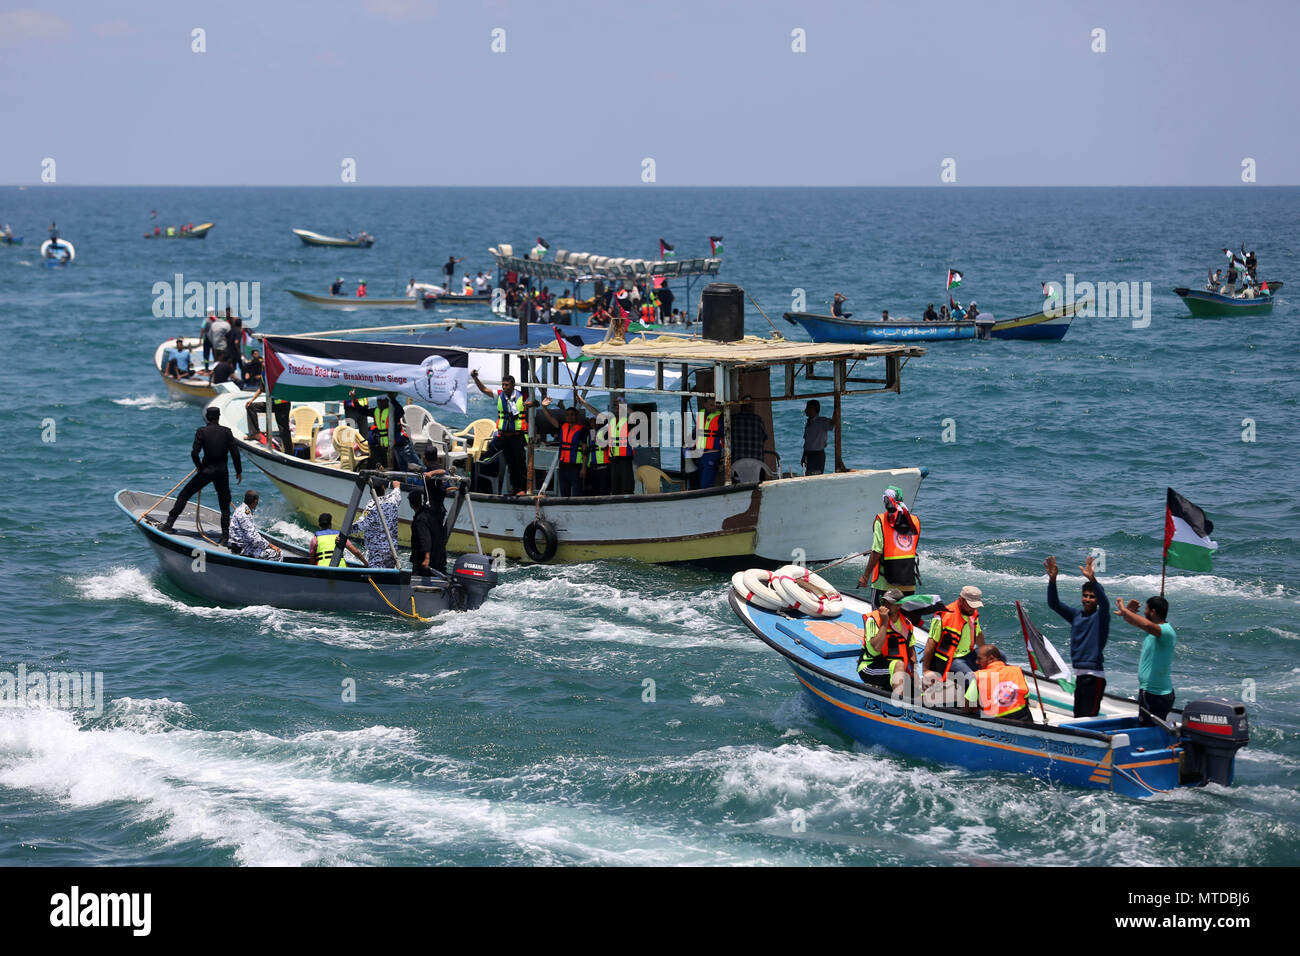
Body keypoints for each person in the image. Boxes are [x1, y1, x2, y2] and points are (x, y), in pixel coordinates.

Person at [162, 406, 242, 544]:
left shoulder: (202, 431)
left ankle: (168, 525)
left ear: (207, 417)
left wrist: (199, 467)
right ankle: (224, 537)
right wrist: (238, 471)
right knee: (224, 504)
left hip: (206, 471)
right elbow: (235, 454)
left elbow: (194, 453)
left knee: (184, 495)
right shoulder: (227, 432)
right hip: (222, 472)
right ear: (219, 417)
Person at [1045, 554, 1108, 717]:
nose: (1087, 599)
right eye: (1085, 595)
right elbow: (1054, 604)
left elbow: (1106, 602)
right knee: (1078, 717)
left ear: (1097, 600)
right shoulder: (1076, 616)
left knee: (1088, 719)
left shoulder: (1101, 617)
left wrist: (1093, 579)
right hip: (1079, 676)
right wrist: (1052, 580)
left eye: (1092, 596)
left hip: (1094, 677)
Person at [1114, 594, 1176, 726]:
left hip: (1156, 694)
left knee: (1151, 730)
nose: (1144, 612)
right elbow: (1137, 622)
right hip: (1149, 692)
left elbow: (1144, 623)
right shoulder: (1154, 630)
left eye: (1146, 609)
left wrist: (1125, 610)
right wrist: (1128, 613)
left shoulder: (1165, 631)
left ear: (1153, 612)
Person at [469, 370, 534, 494]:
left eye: (507, 385)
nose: (504, 387)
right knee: (485, 458)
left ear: (513, 385)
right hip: (502, 437)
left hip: (517, 437)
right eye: (503, 385)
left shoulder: (522, 396)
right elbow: (484, 390)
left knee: (518, 464)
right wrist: (475, 378)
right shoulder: (499, 395)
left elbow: (534, 402)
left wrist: (532, 404)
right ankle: (473, 485)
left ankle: (520, 490)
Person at [858, 486, 921, 605]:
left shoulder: (881, 520)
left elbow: (877, 551)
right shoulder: (915, 521)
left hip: (884, 583)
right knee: (901, 621)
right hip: (908, 583)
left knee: (879, 618)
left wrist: (865, 576)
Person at [923, 585, 986, 681]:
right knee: (971, 679)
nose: (973, 609)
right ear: (961, 600)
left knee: (1000, 656)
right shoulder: (944, 616)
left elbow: (978, 634)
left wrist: (985, 653)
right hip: (953, 659)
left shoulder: (971, 613)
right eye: (970, 605)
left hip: (969, 654)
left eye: (975, 606)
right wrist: (926, 670)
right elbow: (931, 643)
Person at [857, 590, 914, 694]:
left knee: (918, 688)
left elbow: (911, 649)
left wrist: (913, 672)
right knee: (899, 665)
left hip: (893, 669)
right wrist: (884, 622)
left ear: (899, 605)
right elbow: (876, 648)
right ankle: (898, 705)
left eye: (890, 603)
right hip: (869, 667)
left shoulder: (906, 623)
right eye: (884, 602)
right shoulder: (873, 620)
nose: (885, 606)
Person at [963, 645, 1032, 722]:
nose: (977, 662)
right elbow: (1026, 697)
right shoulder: (1017, 671)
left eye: (979, 659)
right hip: (1023, 718)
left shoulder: (979, 676)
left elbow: (967, 708)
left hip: (995, 722)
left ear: (991, 658)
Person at [538, 398, 588, 497]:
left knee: (577, 494)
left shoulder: (582, 430)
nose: (570, 417)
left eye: (572, 414)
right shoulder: (562, 426)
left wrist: (584, 468)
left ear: (576, 416)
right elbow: (550, 418)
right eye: (568, 414)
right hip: (563, 466)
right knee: (564, 493)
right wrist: (544, 407)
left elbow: (585, 450)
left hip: (576, 467)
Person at [358, 478, 402, 568]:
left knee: (376, 575)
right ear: (384, 488)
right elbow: (396, 492)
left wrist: (344, 534)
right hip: (391, 550)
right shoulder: (392, 500)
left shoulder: (370, 506)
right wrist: (397, 487)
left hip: (376, 550)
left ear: (371, 492)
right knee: (388, 572)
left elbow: (360, 524)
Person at [228, 490, 281, 561]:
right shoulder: (244, 514)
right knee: (276, 553)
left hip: (243, 544)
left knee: (267, 549)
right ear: (255, 501)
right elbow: (254, 538)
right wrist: (270, 545)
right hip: (242, 548)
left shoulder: (242, 509)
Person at [245, 383, 293, 453]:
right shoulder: (264, 374)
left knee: (283, 430)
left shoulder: (277, 373)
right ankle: (255, 434)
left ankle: (289, 453)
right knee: (251, 407)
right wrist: (252, 400)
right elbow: (261, 388)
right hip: (272, 404)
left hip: (283, 404)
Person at [408, 489, 446, 577]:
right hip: (437, 556)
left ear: (410, 504)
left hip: (423, 559)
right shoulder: (429, 513)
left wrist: (427, 558)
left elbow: (425, 538)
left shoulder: (420, 519)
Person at [729, 400, 769, 469]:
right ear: (750, 407)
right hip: (757, 463)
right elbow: (764, 438)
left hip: (737, 463)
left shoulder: (733, 419)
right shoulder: (758, 420)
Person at [800, 399, 837, 475]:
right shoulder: (809, 423)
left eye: (807, 408)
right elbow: (807, 442)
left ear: (813, 410)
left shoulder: (822, 422)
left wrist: (836, 410)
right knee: (809, 475)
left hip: (817, 454)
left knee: (816, 475)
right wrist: (804, 456)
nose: (805, 410)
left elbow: (833, 423)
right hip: (809, 454)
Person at [695, 396, 724, 488]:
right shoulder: (701, 414)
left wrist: (722, 457)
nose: (713, 407)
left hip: (712, 453)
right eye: (711, 405)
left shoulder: (719, 417)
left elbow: (725, 435)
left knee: (706, 483)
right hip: (700, 453)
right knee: (700, 480)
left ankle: (705, 499)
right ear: (705, 404)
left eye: (715, 405)